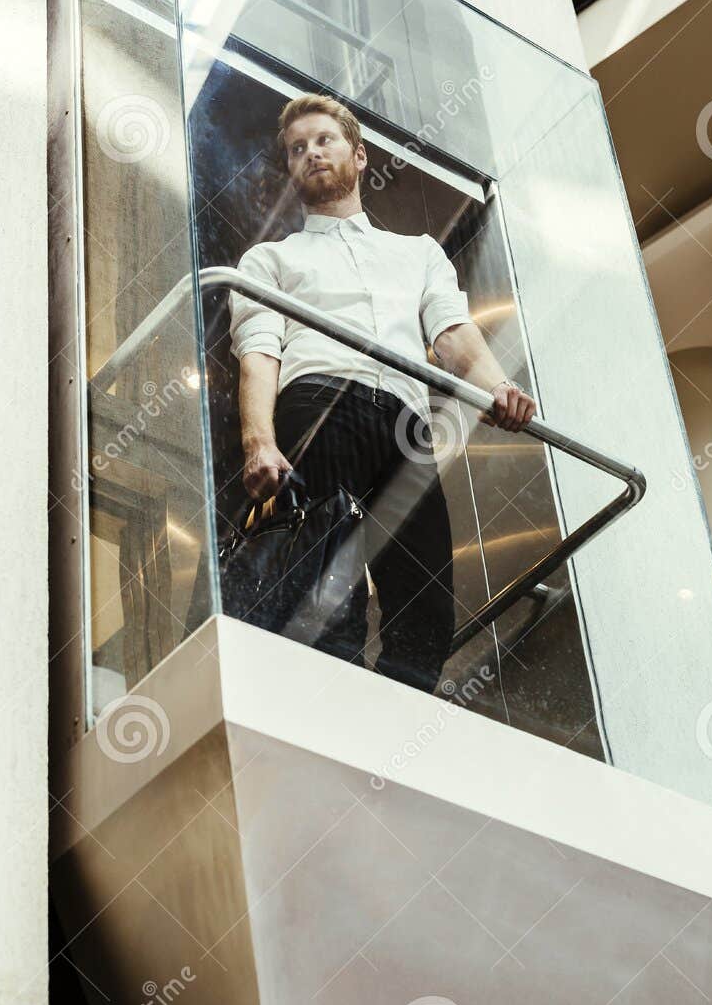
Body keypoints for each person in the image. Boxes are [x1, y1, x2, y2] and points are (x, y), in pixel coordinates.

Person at [228, 93, 536, 695]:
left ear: (360, 155)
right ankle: (330, 701)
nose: (311, 152)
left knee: (425, 593)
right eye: (297, 148)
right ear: (291, 170)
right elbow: (259, 354)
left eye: (324, 140)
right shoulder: (270, 259)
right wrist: (258, 443)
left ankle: (403, 722)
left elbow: (452, 335)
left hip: (406, 422)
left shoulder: (418, 252)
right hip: (319, 404)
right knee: (325, 577)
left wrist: (498, 386)